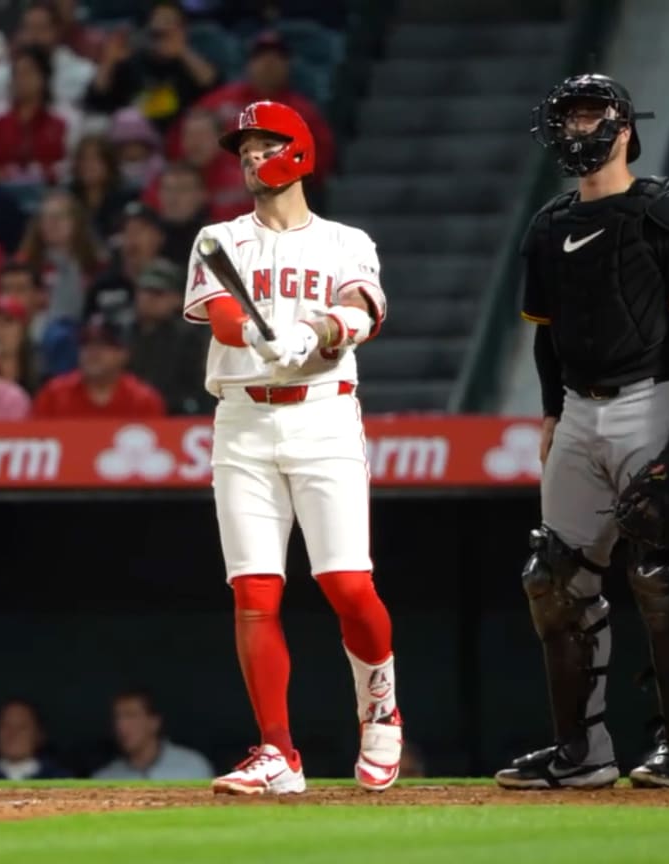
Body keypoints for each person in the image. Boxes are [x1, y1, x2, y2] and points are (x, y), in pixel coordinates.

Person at [497, 74, 669, 791]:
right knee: (554, 580)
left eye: (589, 114)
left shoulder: (668, 213)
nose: (575, 128)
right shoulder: (548, 225)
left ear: (624, 125)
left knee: (661, 576)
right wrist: (549, 412)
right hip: (576, 407)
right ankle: (581, 753)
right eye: (566, 117)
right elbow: (544, 336)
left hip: (649, 401)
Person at [181, 101, 401, 796]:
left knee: (346, 583)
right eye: (243, 148)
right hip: (243, 420)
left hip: (323, 420)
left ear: (299, 150)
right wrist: (257, 335)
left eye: (264, 144)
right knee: (254, 591)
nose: (250, 157)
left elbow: (363, 309)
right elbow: (220, 314)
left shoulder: (346, 240)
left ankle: (382, 708)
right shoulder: (220, 237)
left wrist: (318, 336)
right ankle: (279, 754)